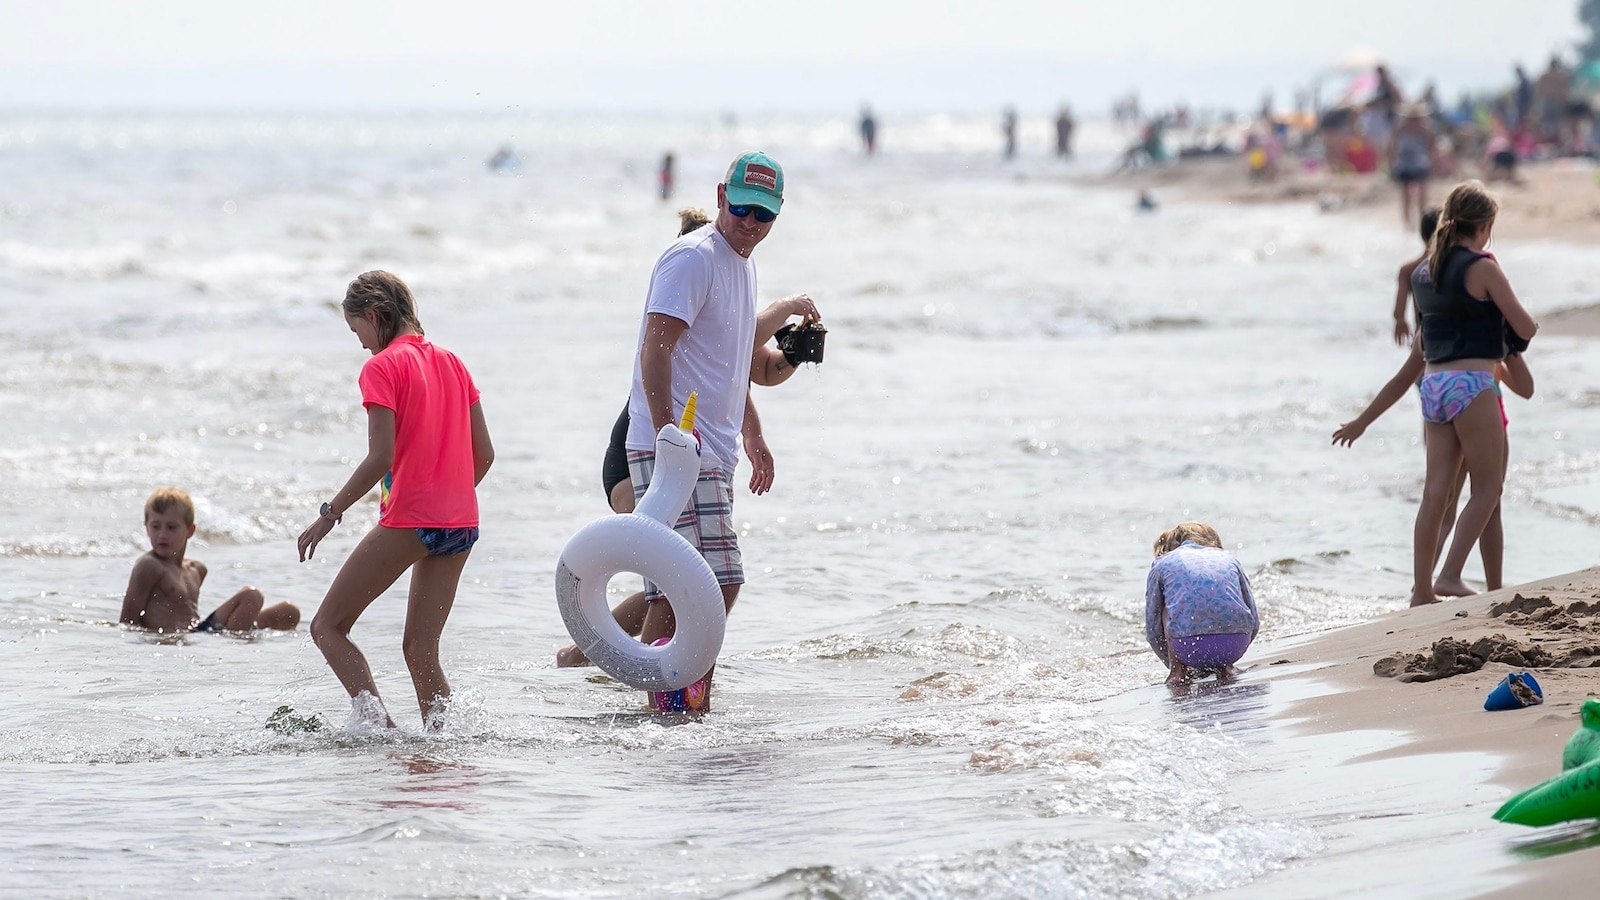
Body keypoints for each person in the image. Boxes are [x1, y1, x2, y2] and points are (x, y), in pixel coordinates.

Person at [555, 205, 818, 668]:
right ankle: (629, 666)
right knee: (673, 578)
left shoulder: (730, 293)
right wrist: (785, 306)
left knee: (688, 577)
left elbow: (754, 372)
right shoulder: (693, 277)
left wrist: (795, 354)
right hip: (641, 455)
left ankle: (605, 658)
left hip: (694, 448)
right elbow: (735, 343)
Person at [622, 151, 818, 709]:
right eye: (742, 208)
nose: (751, 222)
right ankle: (668, 703)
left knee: (708, 582)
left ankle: (681, 701)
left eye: (764, 214)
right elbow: (655, 348)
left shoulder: (741, 264)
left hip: (713, 450)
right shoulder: (694, 258)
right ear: (720, 197)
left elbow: (737, 366)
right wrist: (668, 435)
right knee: (693, 583)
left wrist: (754, 434)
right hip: (676, 446)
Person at [297, 271, 495, 731]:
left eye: (358, 332)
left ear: (373, 315)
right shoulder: (453, 362)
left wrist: (330, 514)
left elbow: (380, 456)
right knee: (421, 650)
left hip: (412, 519)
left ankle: (380, 730)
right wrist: (447, 495)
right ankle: (445, 743)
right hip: (461, 522)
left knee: (328, 626)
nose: (362, 345)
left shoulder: (382, 367)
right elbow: (484, 454)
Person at [1405, 181, 1537, 606]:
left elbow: (1434, 330)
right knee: (1488, 490)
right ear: (1483, 227)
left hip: (1432, 385)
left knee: (1435, 494)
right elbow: (1525, 326)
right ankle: (1450, 574)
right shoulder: (1482, 267)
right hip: (1473, 385)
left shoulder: (1422, 272)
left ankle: (1422, 591)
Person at [1333, 344, 1534, 594]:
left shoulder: (1434, 328)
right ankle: (1477, 584)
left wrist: (1362, 422)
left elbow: (1402, 379)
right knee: (1489, 502)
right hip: (1483, 408)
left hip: (1438, 404)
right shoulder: (1490, 330)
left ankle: (1422, 587)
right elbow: (1526, 388)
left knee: (1442, 503)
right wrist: (1510, 349)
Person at [121, 487, 301, 635]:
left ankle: (240, 636)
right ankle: (237, 648)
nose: (162, 534)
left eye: (171, 527)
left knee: (289, 612)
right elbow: (127, 622)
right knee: (252, 596)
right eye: (155, 526)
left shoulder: (196, 569)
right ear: (146, 528)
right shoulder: (149, 566)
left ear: (190, 530)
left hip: (202, 631)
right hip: (187, 633)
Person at [1145, 522, 1259, 686]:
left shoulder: (1161, 563)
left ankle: (1178, 672)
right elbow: (1253, 617)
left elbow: (1153, 627)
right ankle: (1226, 667)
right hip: (1236, 645)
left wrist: (1170, 662)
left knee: (1171, 604)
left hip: (1188, 647)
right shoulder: (1229, 558)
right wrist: (1238, 646)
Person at [1391, 207, 1442, 345]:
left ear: (1421, 234)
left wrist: (1400, 322)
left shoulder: (1408, 270)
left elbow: (1399, 311)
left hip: (1423, 338)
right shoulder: (1455, 266)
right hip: (1453, 340)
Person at [1389, 104, 1435, 230]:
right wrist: (1392, 162)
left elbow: (1431, 147)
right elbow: (1392, 146)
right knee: (1405, 194)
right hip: (1405, 164)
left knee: (1422, 193)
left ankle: (1422, 219)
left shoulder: (1426, 130)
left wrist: (1432, 162)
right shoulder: (1400, 130)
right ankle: (1407, 222)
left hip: (1420, 163)